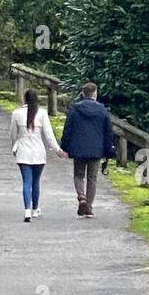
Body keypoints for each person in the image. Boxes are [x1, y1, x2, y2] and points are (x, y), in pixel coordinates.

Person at [60, 81, 115, 218]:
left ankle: (81, 197)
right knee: (92, 178)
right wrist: (108, 151)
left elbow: (68, 129)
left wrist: (64, 147)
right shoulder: (102, 110)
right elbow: (108, 132)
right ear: (95, 93)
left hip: (78, 148)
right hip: (96, 149)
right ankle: (89, 207)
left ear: (83, 93)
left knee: (78, 175)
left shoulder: (74, 109)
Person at [10, 89, 63, 222]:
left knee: (26, 181)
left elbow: (13, 134)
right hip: (38, 151)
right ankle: (35, 208)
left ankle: (27, 210)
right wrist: (57, 149)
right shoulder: (42, 113)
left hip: (23, 151)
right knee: (35, 181)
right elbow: (49, 135)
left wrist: (14, 146)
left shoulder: (17, 113)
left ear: (24, 99)